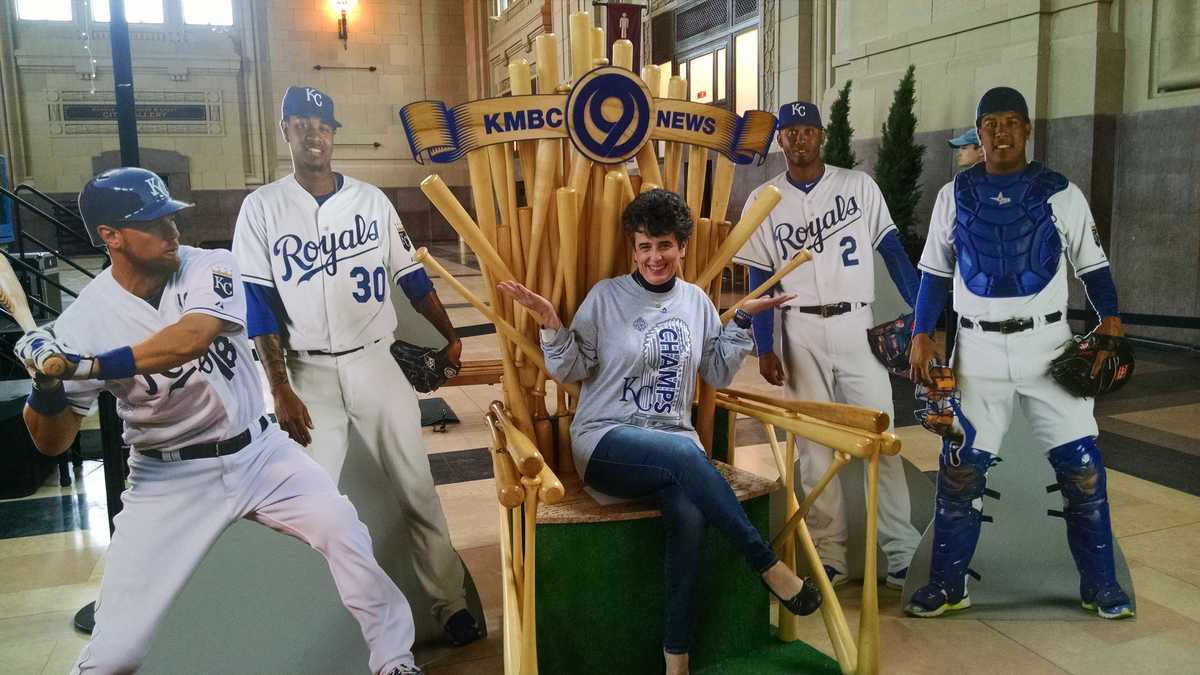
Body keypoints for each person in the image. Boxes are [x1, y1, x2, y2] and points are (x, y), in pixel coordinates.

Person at [13, 167, 423, 674]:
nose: (171, 232)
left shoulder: (211, 265)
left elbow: (193, 336)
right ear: (110, 236)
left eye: (170, 218)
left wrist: (87, 365)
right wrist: (47, 384)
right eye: (152, 223)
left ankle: (393, 658)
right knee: (116, 654)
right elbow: (51, 442)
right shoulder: (84, 322)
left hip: (260, 453)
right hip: (168, 478)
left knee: (341, 527)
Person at [499, 190, 821, 675]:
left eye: (665, 246)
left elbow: (716, 370)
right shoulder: (606, 297)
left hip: (674, 448)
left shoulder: (695, 303)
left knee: (689, 520)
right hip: (607, 440)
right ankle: (766, 564)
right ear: (633, 250)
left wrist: (744, 322)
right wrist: (549, 322)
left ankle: (677, 660)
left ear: (683, 248)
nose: (655, 257)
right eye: (645, 247)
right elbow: (571, 368)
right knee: (684, 456)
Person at [231, 86, 480, 645]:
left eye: (322, 124)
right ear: (285, 131)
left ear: (334, 132)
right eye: (300, 122)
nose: (313, 133)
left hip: (375, 364)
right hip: (305, 373)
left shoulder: (370, 200)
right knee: (310, 506)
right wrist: (279, 387)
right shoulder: (261, 208)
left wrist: (449, 332)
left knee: (416, 487)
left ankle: (450, 604)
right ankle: (314, 615)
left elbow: (410, 279)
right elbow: (258, 305)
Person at [906, 86, 1133, 620]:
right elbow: (935, 273)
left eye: (1011, 122)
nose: (1000, 133)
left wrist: (1112, 319)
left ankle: (1100, 585)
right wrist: (921, 331)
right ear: (978, 132)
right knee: (961, 467)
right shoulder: (953, 195)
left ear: (1028, 129)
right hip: (978, 347)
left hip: (1047, 344)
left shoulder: (1060, 192)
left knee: (1081, 467)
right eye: (990, 124)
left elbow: (1093, 266)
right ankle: (947, 586)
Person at [732, 100, 923, 590]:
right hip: (799, 331)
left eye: (808, 131)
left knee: (882, 439)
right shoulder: (764, 199)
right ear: (781, 141)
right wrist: (765, 344)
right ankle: (830, 555)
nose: (799, 139)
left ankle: (901, 552)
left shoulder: (858, 186)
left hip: (858, 326)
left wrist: (922, 319)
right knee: (815, 449)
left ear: (822, 137)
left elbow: (893, 253)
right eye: (790, 131)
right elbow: (760, 277)